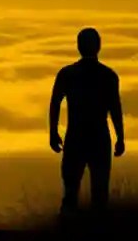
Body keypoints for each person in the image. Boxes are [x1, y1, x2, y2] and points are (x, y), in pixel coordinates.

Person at [49, 28, 125, 212]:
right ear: (99, 46)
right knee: (99, 193)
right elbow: (115, 108)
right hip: (99, 137)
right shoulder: (108, 76)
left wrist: (53, 132)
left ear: (78, 46)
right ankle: (95, 234)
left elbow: (55, 104)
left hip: (76, 136)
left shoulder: (68, 74)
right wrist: (120, 138)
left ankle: (69, 233)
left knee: (71, 190)